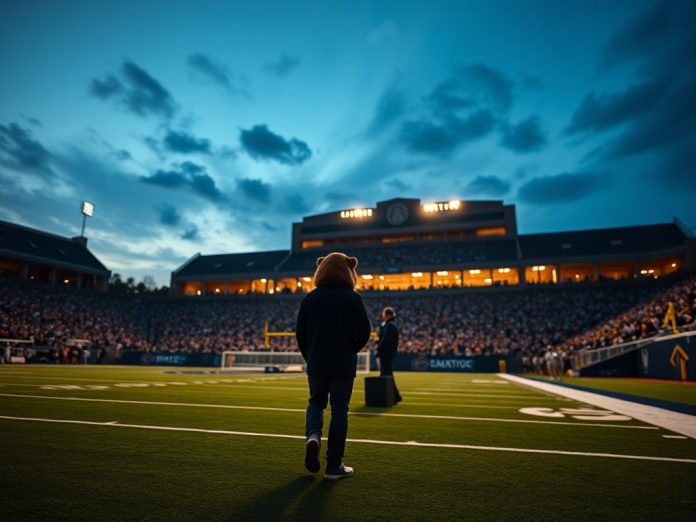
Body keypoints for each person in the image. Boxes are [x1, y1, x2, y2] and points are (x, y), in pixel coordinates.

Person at [296, 252, 372, 480]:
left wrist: (310, 356)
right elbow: (365, 332)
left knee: (315, 402)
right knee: (340, 409)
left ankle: (313, 437)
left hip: (317, 362)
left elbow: (300, 334)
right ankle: (333, 465)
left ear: (321, 268)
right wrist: (350, 349)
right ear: (350, 270)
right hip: (342, 364)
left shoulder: (309, 298)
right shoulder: (353, 298)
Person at [376, 307, 402, 403]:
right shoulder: (391, 325)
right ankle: (394, 396)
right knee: (387, 375)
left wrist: (378, 347)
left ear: (387, 314)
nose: (383, 316)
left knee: (386, 375)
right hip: (388, 354)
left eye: (384, 314)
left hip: (386, 354)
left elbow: (386, 340)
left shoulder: (389, 325)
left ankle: (393, 396)